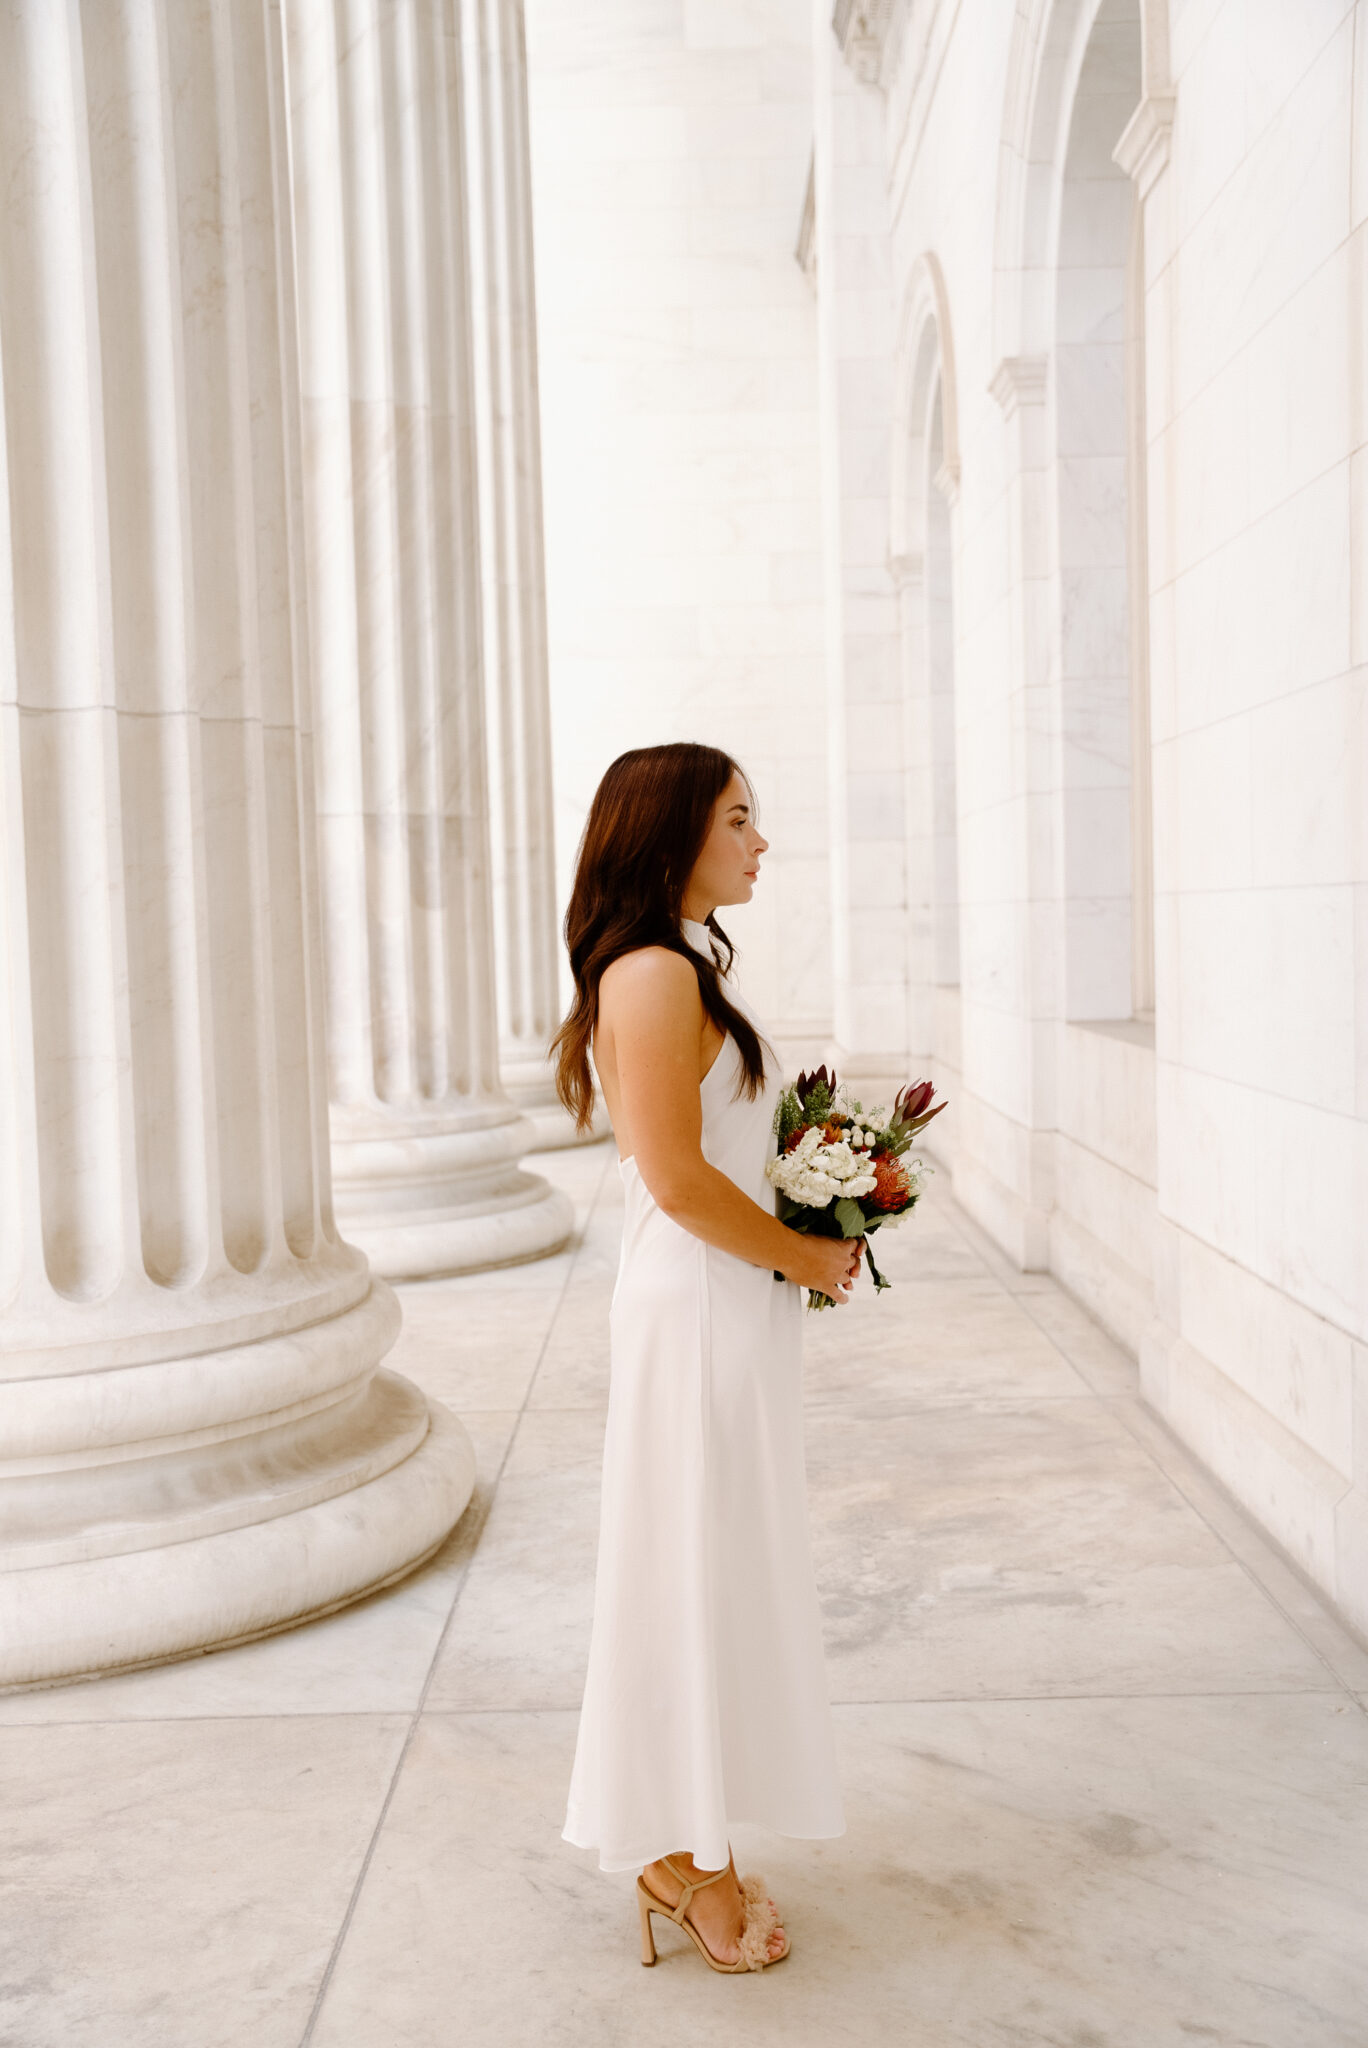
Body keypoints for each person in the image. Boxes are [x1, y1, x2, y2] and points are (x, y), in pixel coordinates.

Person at [553, 742, 860, 1975]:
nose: (760, 840)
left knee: (719, 1564)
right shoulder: (652, 972)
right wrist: (802, 1248)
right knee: (685, 1567)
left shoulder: (677, 967)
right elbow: (675, 1180)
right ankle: (686, 1863)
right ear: (671, 832)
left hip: (724, 1309)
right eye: (740, 818)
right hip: (696, 1306)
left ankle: (690, 1836)